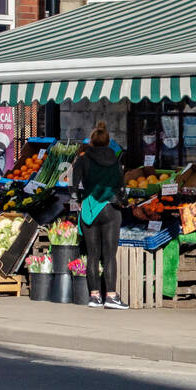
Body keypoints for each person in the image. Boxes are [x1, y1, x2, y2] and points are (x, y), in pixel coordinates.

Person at [70, 122, 128, 309]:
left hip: (89, 208)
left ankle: (94, 296)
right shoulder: (115, 159)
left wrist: (78, 199)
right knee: (109, 255)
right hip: (110, 207)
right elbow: (121, 186)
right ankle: (111, 296)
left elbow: (73, 186)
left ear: (92, 142)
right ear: (108, 141)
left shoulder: (83, 159)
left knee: (93, 255)